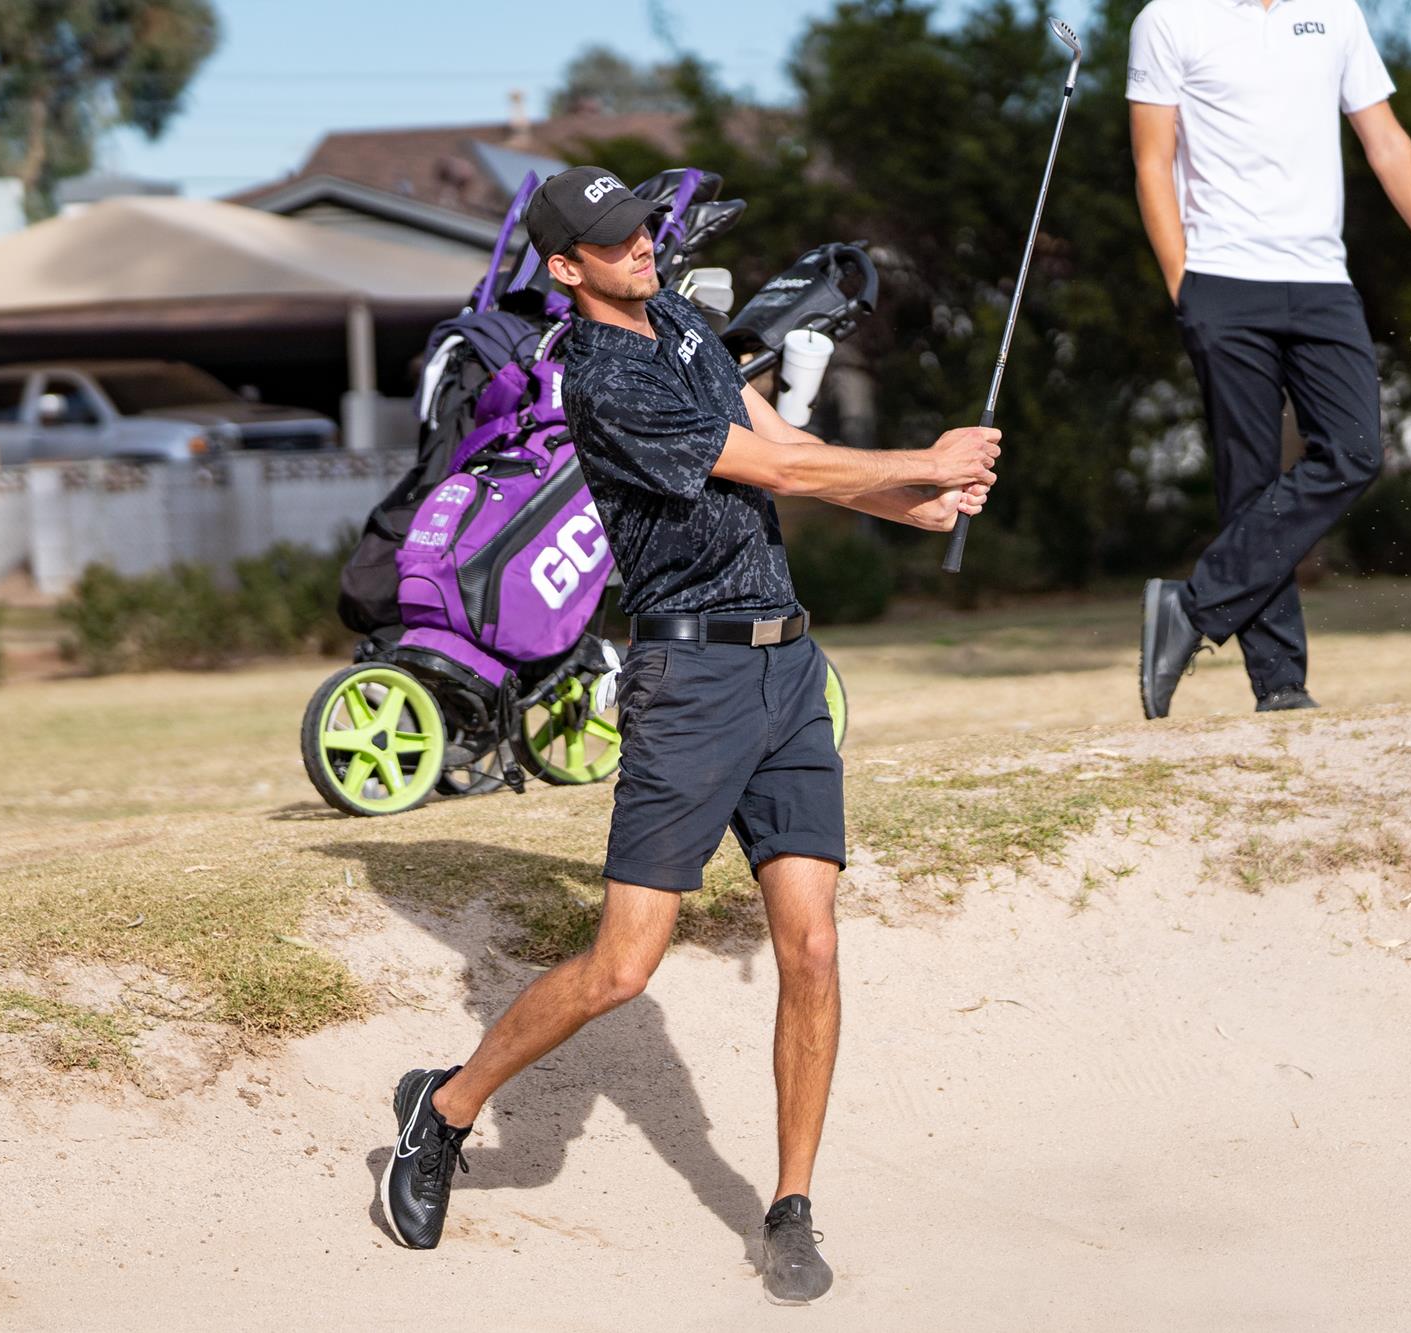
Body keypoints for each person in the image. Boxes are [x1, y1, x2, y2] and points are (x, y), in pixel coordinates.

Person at [379, 166, 1000, 1304]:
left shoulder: (678, 320)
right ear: (566, 269)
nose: (641, 250)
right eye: (613, 244)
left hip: (788, 670)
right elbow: (773, 466)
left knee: (810, 947)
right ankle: (448, 1108)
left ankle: (790, 1205)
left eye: (641, 232)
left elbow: (778, 440)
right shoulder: (601, 377)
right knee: (624, 965)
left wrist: (913, 504)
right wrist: (922, 455)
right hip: (691, 677)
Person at [1128, 0, 1411, 718]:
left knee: (1356, 451)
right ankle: (1279, 683)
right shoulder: (1168, 18)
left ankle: (1193, 606)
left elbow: (1385, 140)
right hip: (1221, 280)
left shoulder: (1335, 12)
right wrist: (1184, 287)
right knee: (1249, 477)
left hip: (1323, 281)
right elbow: (1153, 160)